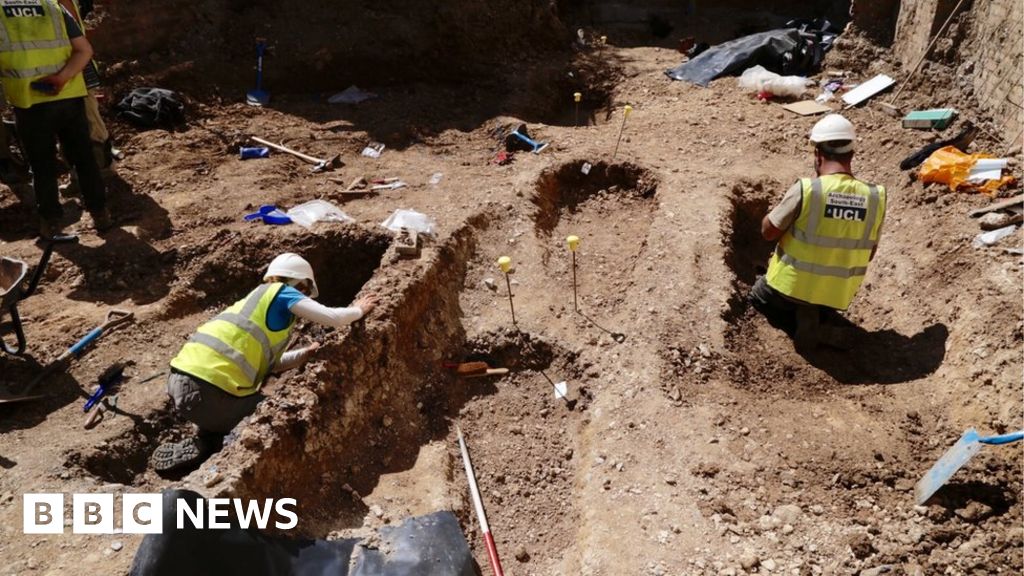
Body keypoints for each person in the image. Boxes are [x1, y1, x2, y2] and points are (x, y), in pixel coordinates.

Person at [151, 253, 379, 472]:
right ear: (300, 284)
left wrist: (303, 355)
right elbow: (333, 318)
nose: (306, 297)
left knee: (241, 406)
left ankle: (209, 434)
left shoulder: (257, 305)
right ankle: (222, 447)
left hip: (183, 385)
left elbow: (269, 365)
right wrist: (359, 309)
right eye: (306, 291)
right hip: (207, 391)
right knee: (270, 415)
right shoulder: (282, 292)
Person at [750, 114, 886, 350]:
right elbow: (870, 253)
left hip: (789, 290)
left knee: (758, 296)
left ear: (817, 154)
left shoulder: (808, 189)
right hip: (835, 296)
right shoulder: (875, 197)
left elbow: (768, 232)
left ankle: (804, 327)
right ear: (852, 153)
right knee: (817, 303)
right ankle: (818, 318)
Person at [0, 0, 110, 238]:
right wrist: (61, 78)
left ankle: (51, 223)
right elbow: (85, 50)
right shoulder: (53, 6)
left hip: (29, 102)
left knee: (42, 166)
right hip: (69, 96)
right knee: (84, 158)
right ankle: (101, 214)